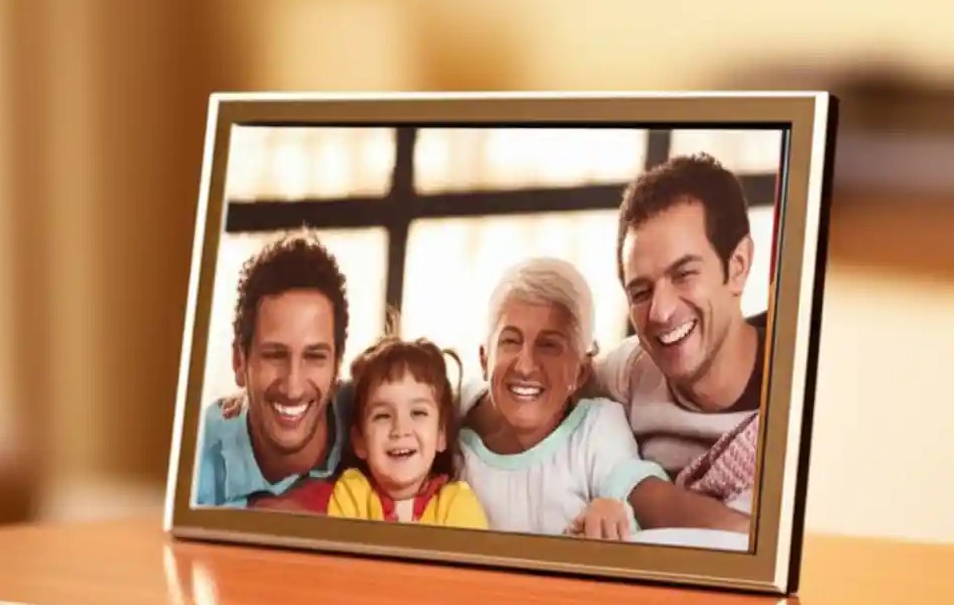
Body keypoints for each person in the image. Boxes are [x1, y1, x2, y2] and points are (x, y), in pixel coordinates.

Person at [457, 257, 684, 538]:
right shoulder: (451, 416)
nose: (525, 366)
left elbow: (631, 495)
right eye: (510, 341)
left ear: (581, 371)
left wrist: (611, 511)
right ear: (484, 359)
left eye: (549, 346)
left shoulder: (596, 428)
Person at [594, 153, 768, 516]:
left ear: (738, 267)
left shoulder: (803, 395)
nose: (660, 312)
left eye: (684, 275)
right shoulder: (628, 373)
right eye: (641, 292)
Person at [193, 229, 353, 508]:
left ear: (337, 366)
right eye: (274, 355)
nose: (293, 387)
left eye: (314, 356)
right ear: (239, 361)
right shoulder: (192, 458)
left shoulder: (378, 422)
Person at [326, 335, 488, 528]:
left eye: (418, 413)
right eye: (383, 416)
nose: (400, 430)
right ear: (359, 440)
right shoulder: (352, 494)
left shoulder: (458, 504)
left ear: (441, 434)